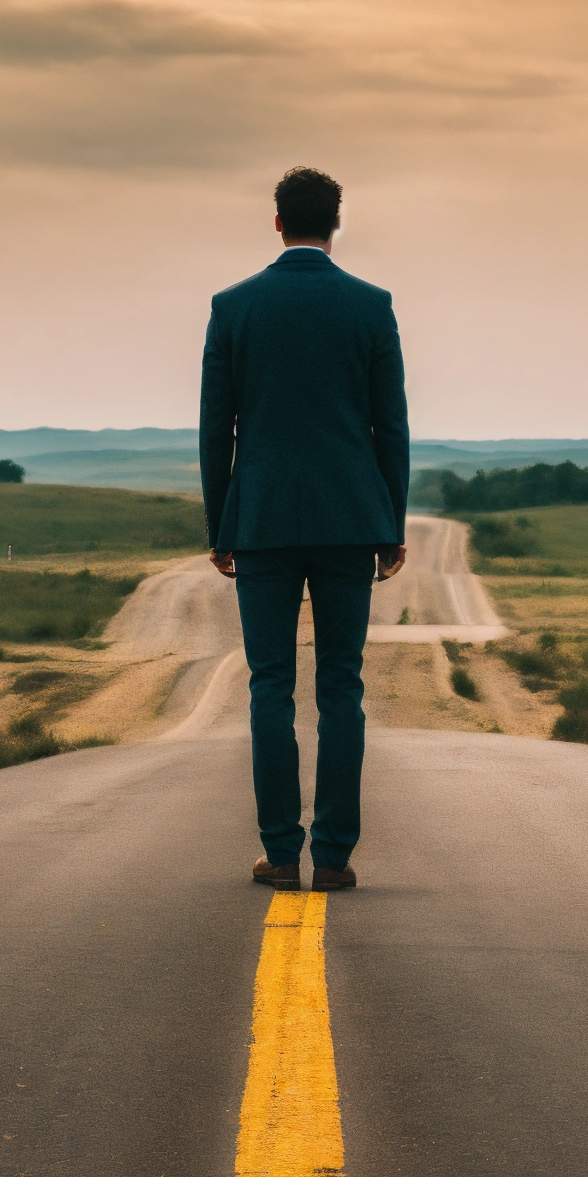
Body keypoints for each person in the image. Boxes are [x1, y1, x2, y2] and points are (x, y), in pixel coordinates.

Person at [200, 166, 410, 892]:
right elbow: (392, 426)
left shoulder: (234, 308)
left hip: (259, 521)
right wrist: (393, 522)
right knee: (341, 688)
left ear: (279, 223)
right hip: (353, 518)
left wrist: (219, 522)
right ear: (336, 225)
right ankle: (334, 855)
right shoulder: (371, 306)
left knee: (269, 686)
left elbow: (215, 429)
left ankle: (282, 853)